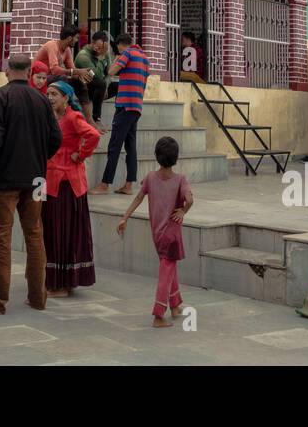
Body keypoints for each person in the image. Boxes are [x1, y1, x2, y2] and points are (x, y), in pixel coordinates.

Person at [0, 53, 62, 315]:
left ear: (6, 70)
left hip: (6, 177)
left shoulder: (0, 96)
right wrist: (39, 156)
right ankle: (37, 297)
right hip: (37, 177)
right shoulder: (42, 99)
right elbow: (56, 137)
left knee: (0, 239)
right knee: (35, 235)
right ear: (31, 70)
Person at [116, 136, 194, 327]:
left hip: (156, 233)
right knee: (167, 269)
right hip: (172, 234)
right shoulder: (180, 179)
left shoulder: (150, 177)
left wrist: (125, 217)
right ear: (176, 158)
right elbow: (190, 199)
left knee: (169, 265)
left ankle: (175, 304)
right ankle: (159, 314)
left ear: (156, 156)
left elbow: (138, 198)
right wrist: (183, 211)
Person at [42, 80, 100, 297]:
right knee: (51, 230)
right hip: (50, 180)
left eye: (55, 94)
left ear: (66, 98)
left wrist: (80, 154)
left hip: (68, 183)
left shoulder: (73, 117)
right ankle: (53, 280)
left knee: (63, 231)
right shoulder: (49, 117)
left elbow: (92, 135)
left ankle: (62, 283)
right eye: (48, 93)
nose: (50, 97)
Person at [93, 33, 150, 195]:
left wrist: (117, 58)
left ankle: (104, 184)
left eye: (117, 48)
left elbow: (111, 71)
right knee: (130, 146)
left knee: (114, 145)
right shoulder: (144, 58)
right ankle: (129, 185)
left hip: (125, 106)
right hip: (136, 106)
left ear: (121, 45)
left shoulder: (127, 54)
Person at [34, 26, 94, 121]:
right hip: (40, 79)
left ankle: (89, 120)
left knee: (78, 82)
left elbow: (72, 70)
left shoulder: (67, 50)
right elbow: (54, 70)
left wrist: (82, 76)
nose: (77, 40)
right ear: (70, 38)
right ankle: (71, 109)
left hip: (53, 79)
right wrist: (77, 72)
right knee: (62, 78)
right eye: (76, 38)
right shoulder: (52, 45)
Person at [74, 30, 112, 128]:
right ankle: (96, 118)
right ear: (92, 42)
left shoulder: (105, 53)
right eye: (98, 47)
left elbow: (110, 73)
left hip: (98, 86)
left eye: (102, 48)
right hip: (83, 86)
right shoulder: (83, 56)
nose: (99, 50)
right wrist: (102, 56)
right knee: (101, 83)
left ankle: (118, 116)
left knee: (118, 86)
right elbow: (97, 74)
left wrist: (107, 86)